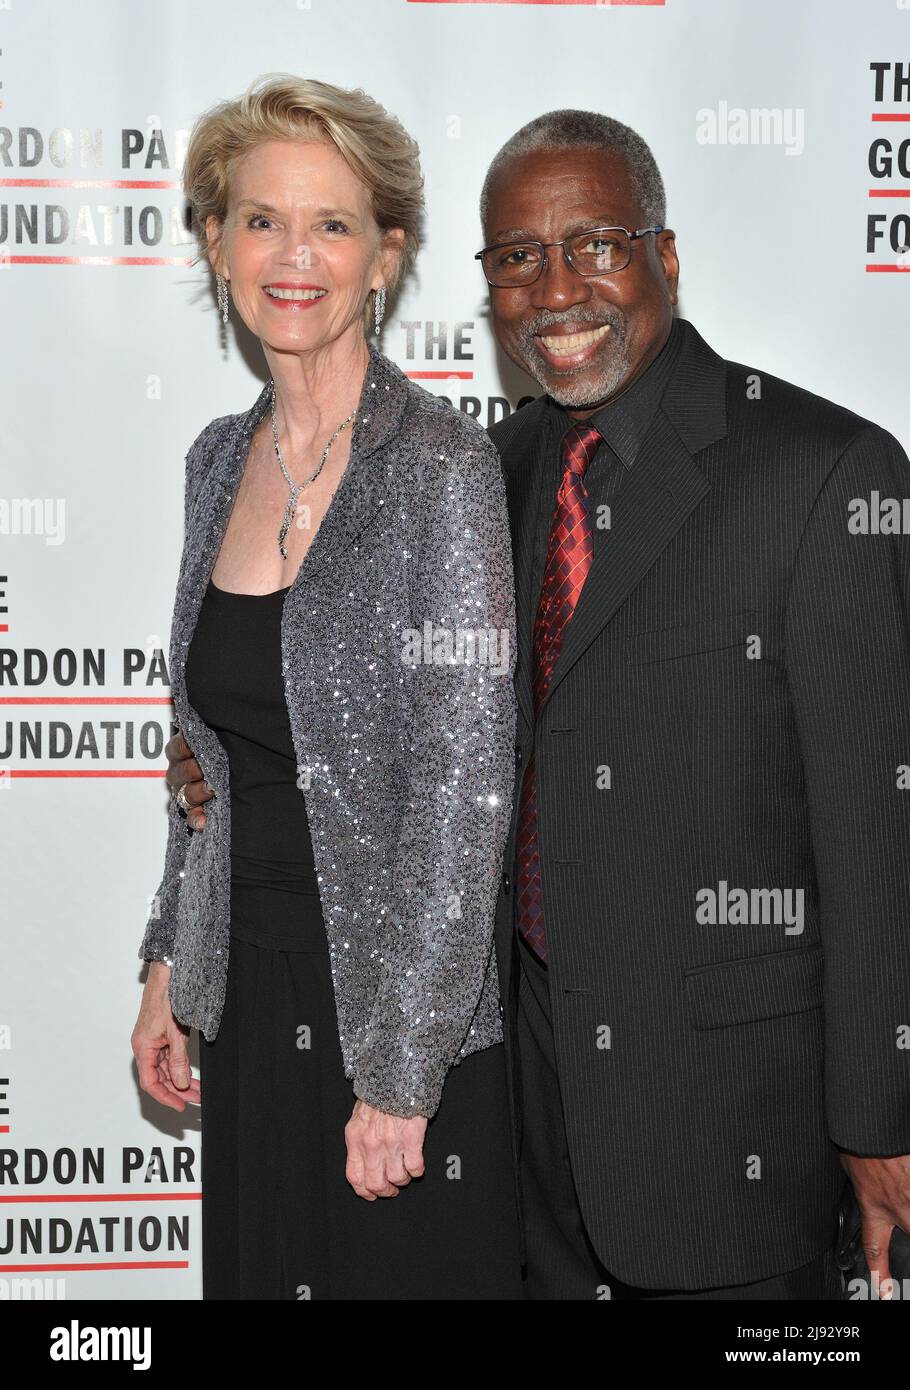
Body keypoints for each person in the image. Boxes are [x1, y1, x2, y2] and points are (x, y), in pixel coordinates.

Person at [171, 105, 910, 1301]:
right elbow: (409, 740)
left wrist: (881, 1126)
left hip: (729, 1134)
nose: (554, 287)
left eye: (595, 244)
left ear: (665, 256)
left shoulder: (823, 473)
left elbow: (879, 834)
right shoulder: (493, 473)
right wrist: (234, 772)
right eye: (516, 258)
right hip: (522, 1115)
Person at [131, 73, 522, 1301]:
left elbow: (463, 807)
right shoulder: (213, 461)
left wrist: (401, 1073)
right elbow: (206, 758)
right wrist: (164, 968)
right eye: (260, 220)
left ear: (385, 257)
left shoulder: (441, 470)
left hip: (395, 1012)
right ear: (215, 242)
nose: (293, 257)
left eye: (333, 224)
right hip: (243, 997)